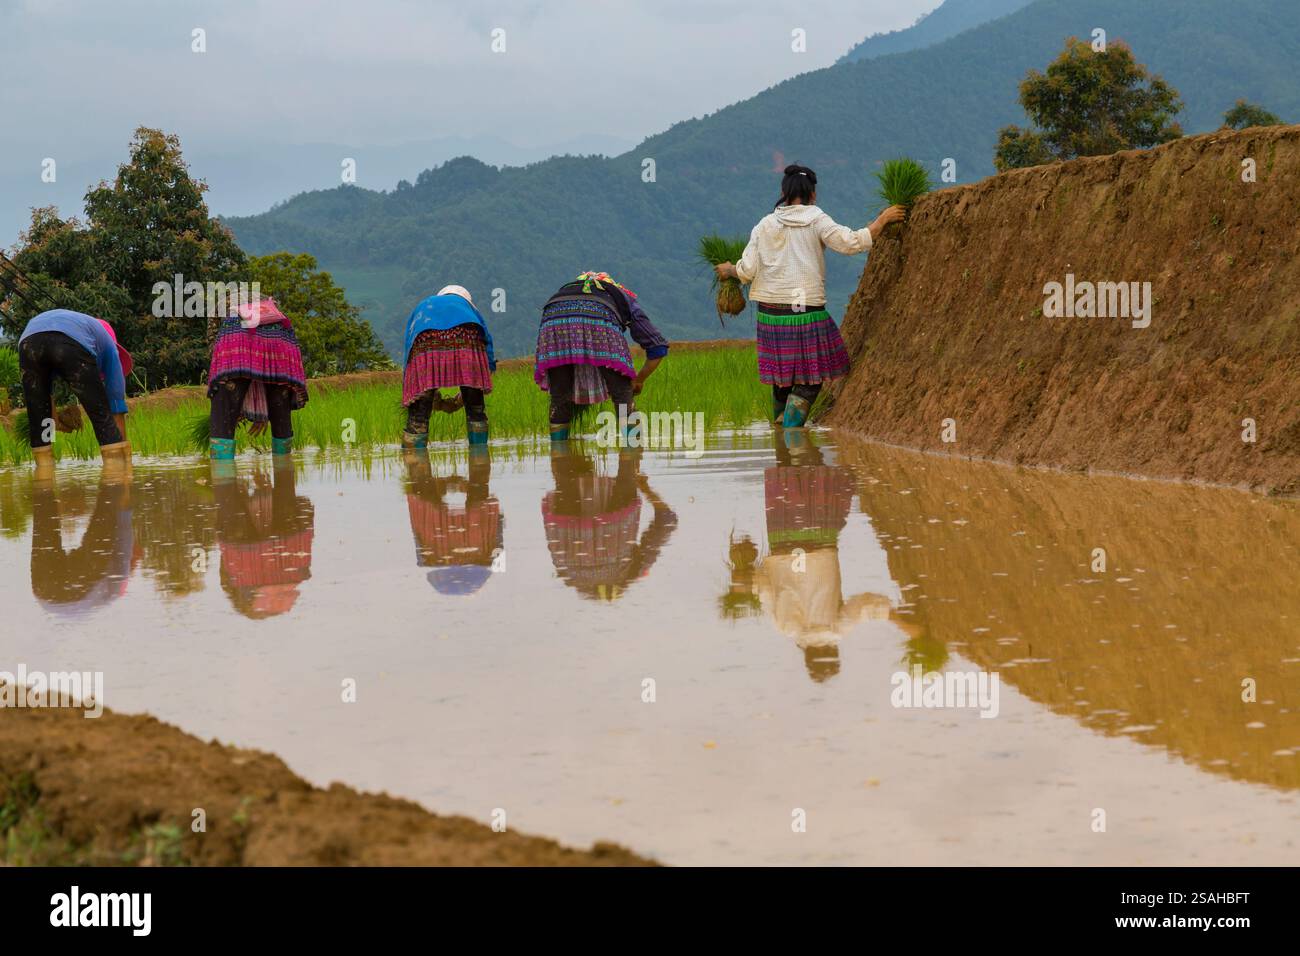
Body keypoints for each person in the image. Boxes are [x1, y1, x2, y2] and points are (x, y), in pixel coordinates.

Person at [715, 164, 906, 428]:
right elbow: (851, 242)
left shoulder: (764, 225)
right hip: (804, 310)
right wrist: (882, 220)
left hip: (771, 314)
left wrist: (728, 269)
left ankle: (782, 440)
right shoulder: (817, 219)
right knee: (811, 379)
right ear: (812, 194)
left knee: (783, 378)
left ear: (784, 191)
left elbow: (747, 271)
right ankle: (792, 434)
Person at [534, 271, 667, 442]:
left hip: (553, 322)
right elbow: (658, 346)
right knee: (622, 394)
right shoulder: (623, 297)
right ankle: (632, 455)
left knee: (560, 399)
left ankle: (559, 456)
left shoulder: (568, 291)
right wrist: (639, 380)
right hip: (599, 320)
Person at [542, 446, 676, 601]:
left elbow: (668, 519)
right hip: (566, 519)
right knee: (564, 478)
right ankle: (564, 457)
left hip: (610, 520)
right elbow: (666, 520)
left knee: (628, 468)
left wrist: (642, 486)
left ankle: (629, 461)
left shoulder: (631, 572)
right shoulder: (568, 575)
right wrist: (643, 487)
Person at [17, 309, 132, 479]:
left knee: (40, 422)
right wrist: (126, 457)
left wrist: (57, 424)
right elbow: (116, 407)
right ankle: (118, 474)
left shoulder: (84, 328)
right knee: (102, 417)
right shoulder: (109, 347)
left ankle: (44, 479)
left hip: (28, 343)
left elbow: (46, 408)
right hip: (68, 343)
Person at [207, 296, 308, 461]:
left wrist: (236, 405)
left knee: (223, 410)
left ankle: (223, 477)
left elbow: (227, 364)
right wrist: (264, 409)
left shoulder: (219, 306)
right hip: (279, 341)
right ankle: (285, 474)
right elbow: (258, 369)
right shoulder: (267, 302)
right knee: (280, 409)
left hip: (236, 338)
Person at [401, 285, 496, 448]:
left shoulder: (425, 305)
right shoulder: (468, 308)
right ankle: (480, 459)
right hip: (466, 336)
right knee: (475, 409)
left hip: (426, 340)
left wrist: (418, 385)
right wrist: (486, 371)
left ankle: (414, 460)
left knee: (418, 414)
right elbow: (486, 338)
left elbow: (409, 344)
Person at [402, 445, 503, 595]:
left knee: (422, 489)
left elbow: (498, 531)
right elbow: (498, 530)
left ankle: (416, 448)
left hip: (454, 544)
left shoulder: (432, 566)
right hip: (461, 545)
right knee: (422, 491)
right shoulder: (484, 568)